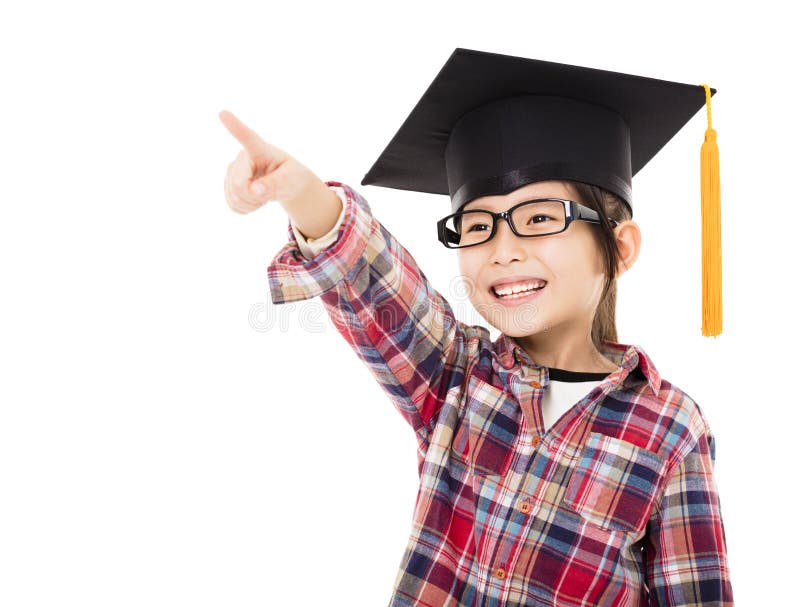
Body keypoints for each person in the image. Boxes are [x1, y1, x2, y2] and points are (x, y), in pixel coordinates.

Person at [220, 48, 733, 606]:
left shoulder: (670, 426)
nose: (503, 251)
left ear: (620, 246)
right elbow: (371, 280)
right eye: (477, 226)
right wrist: (302, 194)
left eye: (540, 218)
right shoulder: (456, 378)